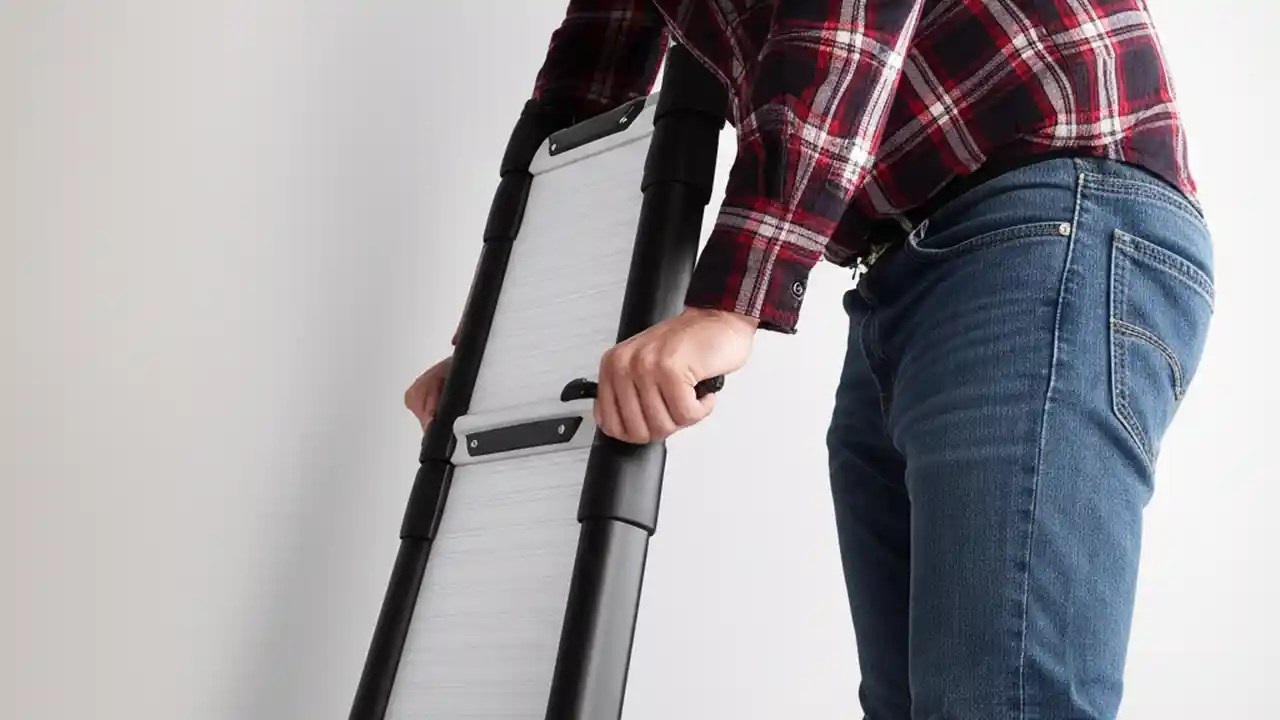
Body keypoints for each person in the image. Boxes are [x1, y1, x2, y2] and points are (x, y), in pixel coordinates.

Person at [405, 1, 1214, 718]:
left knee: (1000, 697)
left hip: (1056, 216)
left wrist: (731, 303)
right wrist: (492, 349)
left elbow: (843, 18)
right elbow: (580, 103)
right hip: (912, 262)